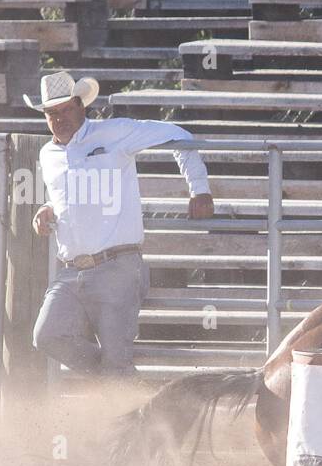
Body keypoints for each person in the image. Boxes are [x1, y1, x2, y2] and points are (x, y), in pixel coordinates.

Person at [25, 71, 214, 382]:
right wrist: (46, 210)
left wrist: (199, 188)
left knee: (112, 362)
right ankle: (124, 384)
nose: (60, 119)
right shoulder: (48, 154)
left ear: (80, 106)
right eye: (52, 113)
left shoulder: (116, 132)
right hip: (72, 270)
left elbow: (178, 134)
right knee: (47, 336)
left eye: (66, 110)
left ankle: (122, 389)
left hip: (118, 266)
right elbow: (65, 197)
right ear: (45, 117)